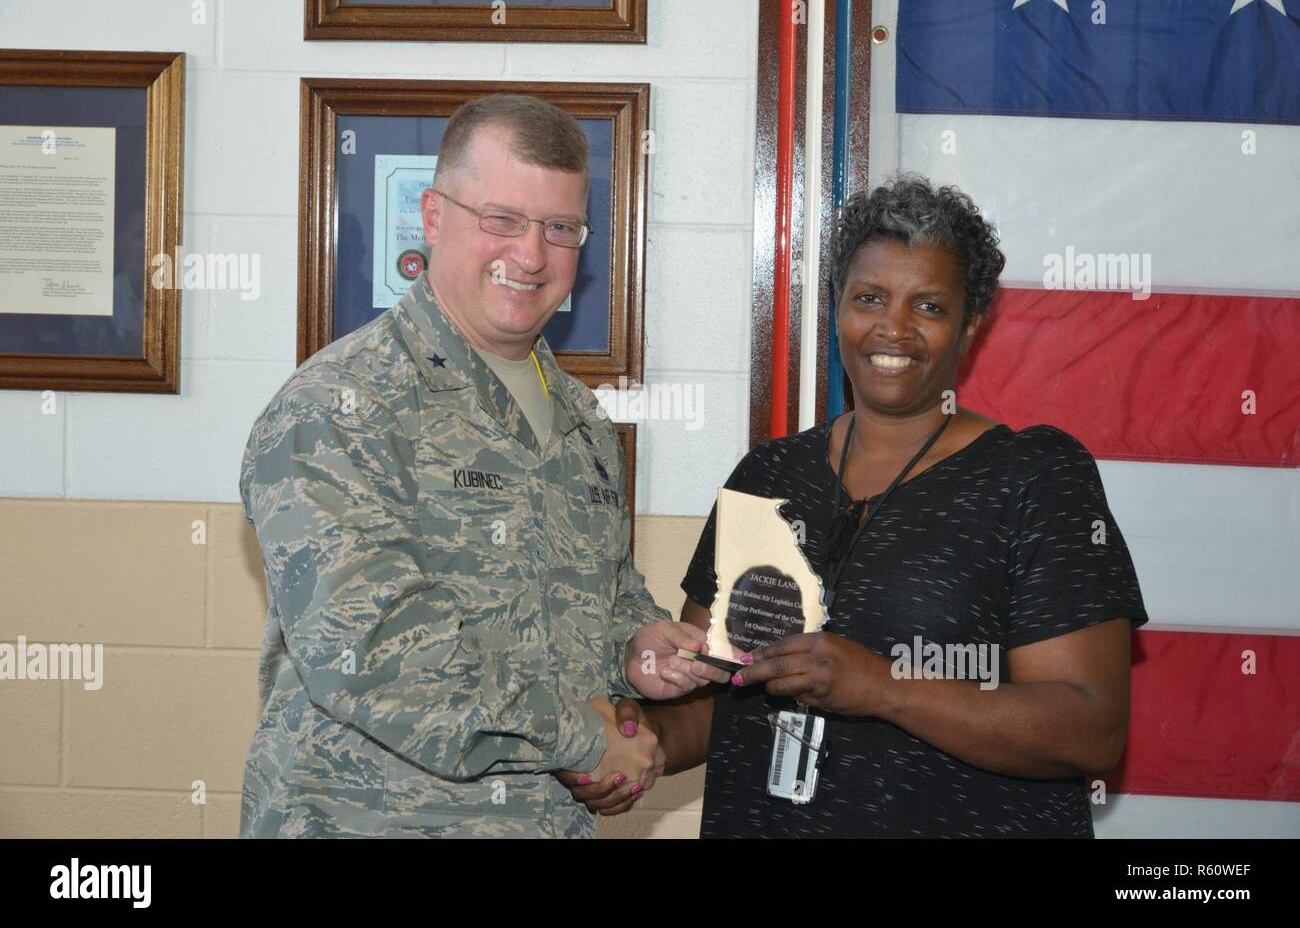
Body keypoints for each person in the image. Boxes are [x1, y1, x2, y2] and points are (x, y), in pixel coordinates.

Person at [565, 174, 1148, 835]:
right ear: (837, 309)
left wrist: (882, 687)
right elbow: (718, 697)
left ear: (970, 325)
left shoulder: (1036, 478)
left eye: (928, 306)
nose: (893, 328)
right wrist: (638, 741)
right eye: (869, 298)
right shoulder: (769, 474)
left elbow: (1088, 730)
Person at [238, 94, 727, 838]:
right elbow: (375, 652)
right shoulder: (339, 407)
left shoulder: (583, 421)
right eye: (501, 219)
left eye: (560, 228)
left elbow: (599, 593)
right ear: (433, 217)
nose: (530, 255)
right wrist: (585, 738)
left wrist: (639, 646)